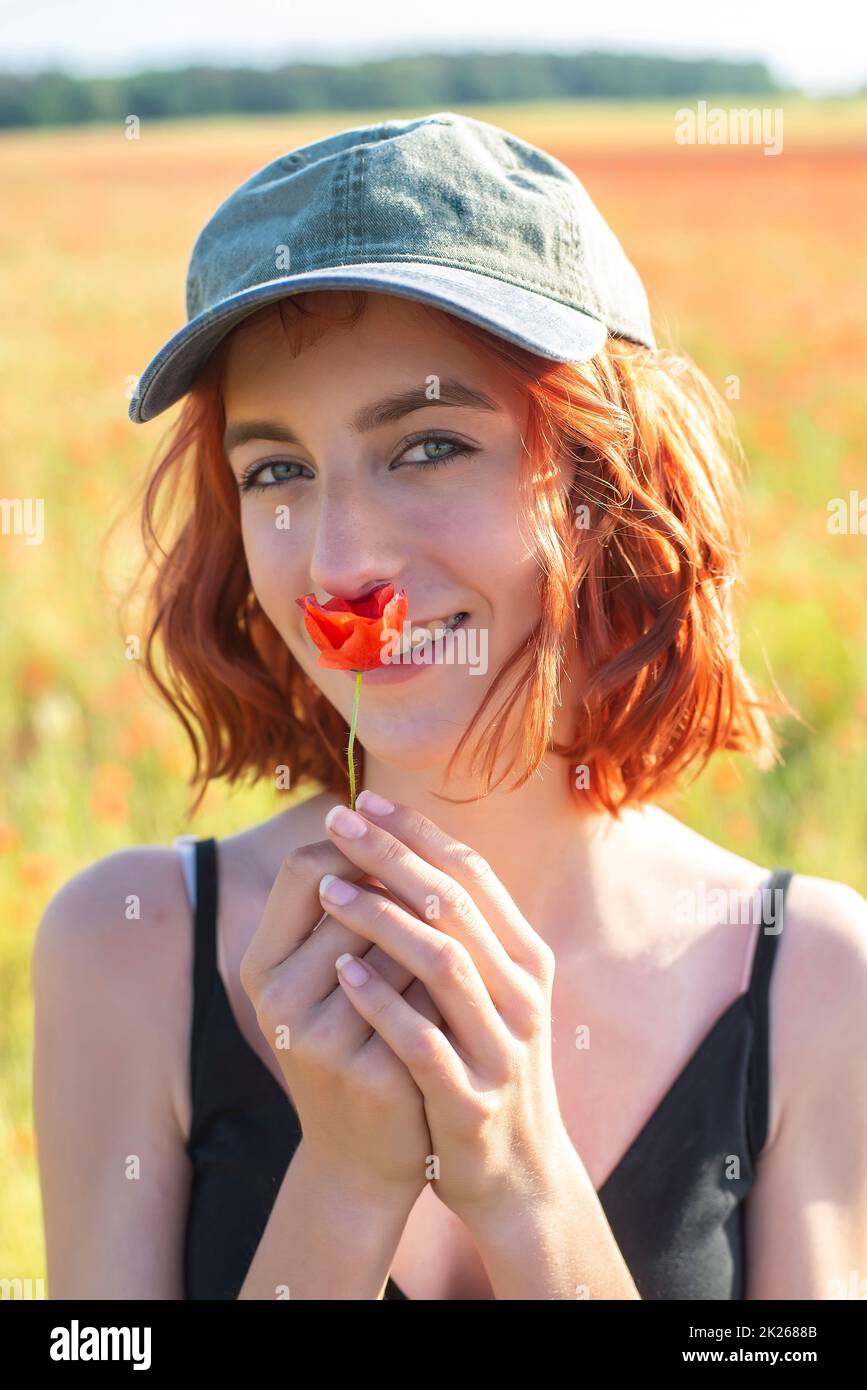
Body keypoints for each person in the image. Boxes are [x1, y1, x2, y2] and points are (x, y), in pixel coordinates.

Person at [33, 112, 867, 1301]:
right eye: (277, 469)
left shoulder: (813, 978)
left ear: (603, 482)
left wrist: (524, 1181)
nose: (339, 562)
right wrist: (344, 1182)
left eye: (426, 445)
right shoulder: (124, 946)